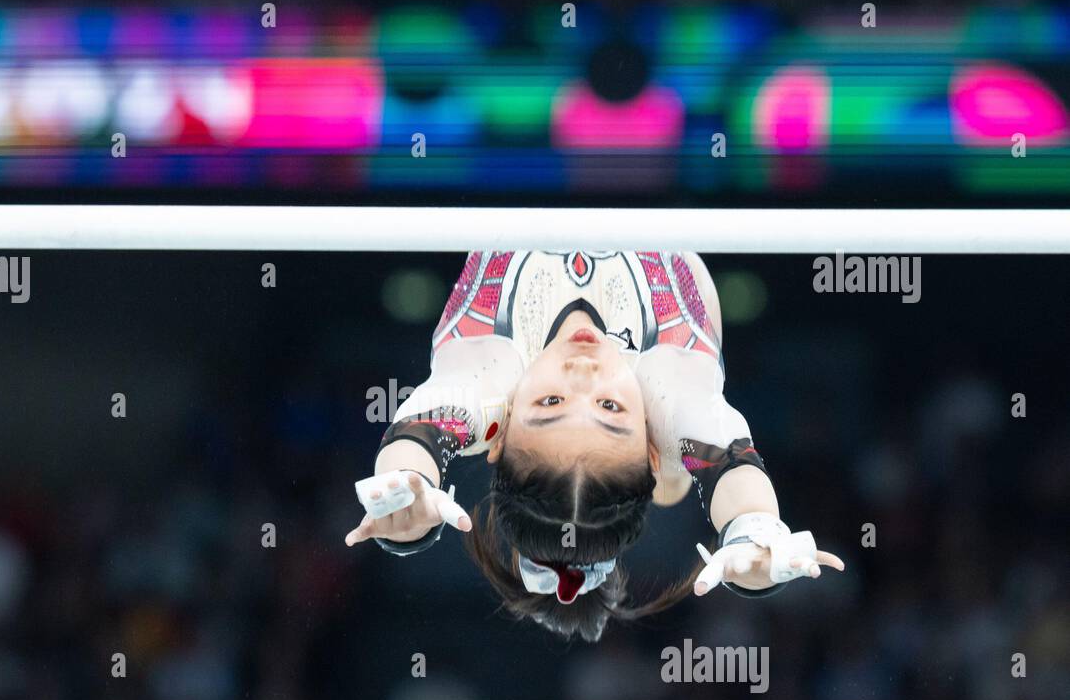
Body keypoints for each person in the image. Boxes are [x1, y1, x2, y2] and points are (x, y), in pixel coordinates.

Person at [345, 251, 843, 641]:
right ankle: (669, 478)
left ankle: (664, 477)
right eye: (610, 408)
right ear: (648, 443)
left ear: (499, 434)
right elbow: (728, 463)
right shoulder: (668, 383)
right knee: (683, 449)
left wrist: (409, 490)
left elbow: (424, 426)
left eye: (551, 401)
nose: (583, 372)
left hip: (528, 142)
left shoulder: (489, 366)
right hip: (659, 151)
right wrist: (749, 526)